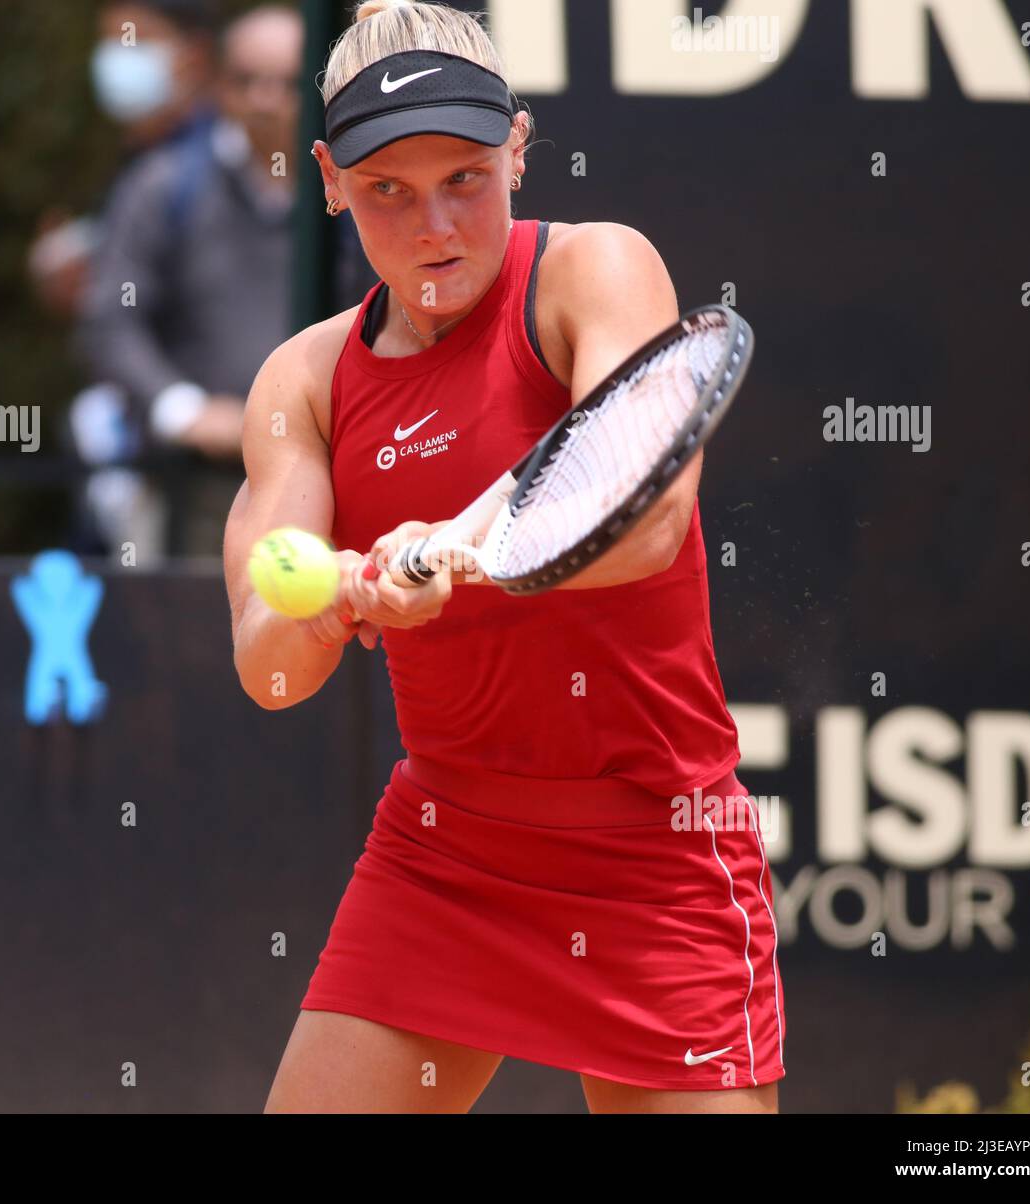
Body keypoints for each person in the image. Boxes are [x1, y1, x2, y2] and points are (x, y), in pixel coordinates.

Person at [224, 0, 785, 1114]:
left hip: (654, 850)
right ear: (329, 179)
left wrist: (458, 548)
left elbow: (651, 520)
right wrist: (340, 598)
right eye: (387, 188)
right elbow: (268, 670)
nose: (434, 224)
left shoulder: (596, 270)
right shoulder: (302, 380)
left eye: (466, 178)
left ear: (519, 149)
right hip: (443, 855)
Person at [77, 2, 305, 555]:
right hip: (194, 488)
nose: (265, 100)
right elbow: (109, 323)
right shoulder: (163, 186)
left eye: (288, 83)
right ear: (221, 85)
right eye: (247, 81)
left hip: (326, 477)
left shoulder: (364, 200)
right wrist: (184, 410)